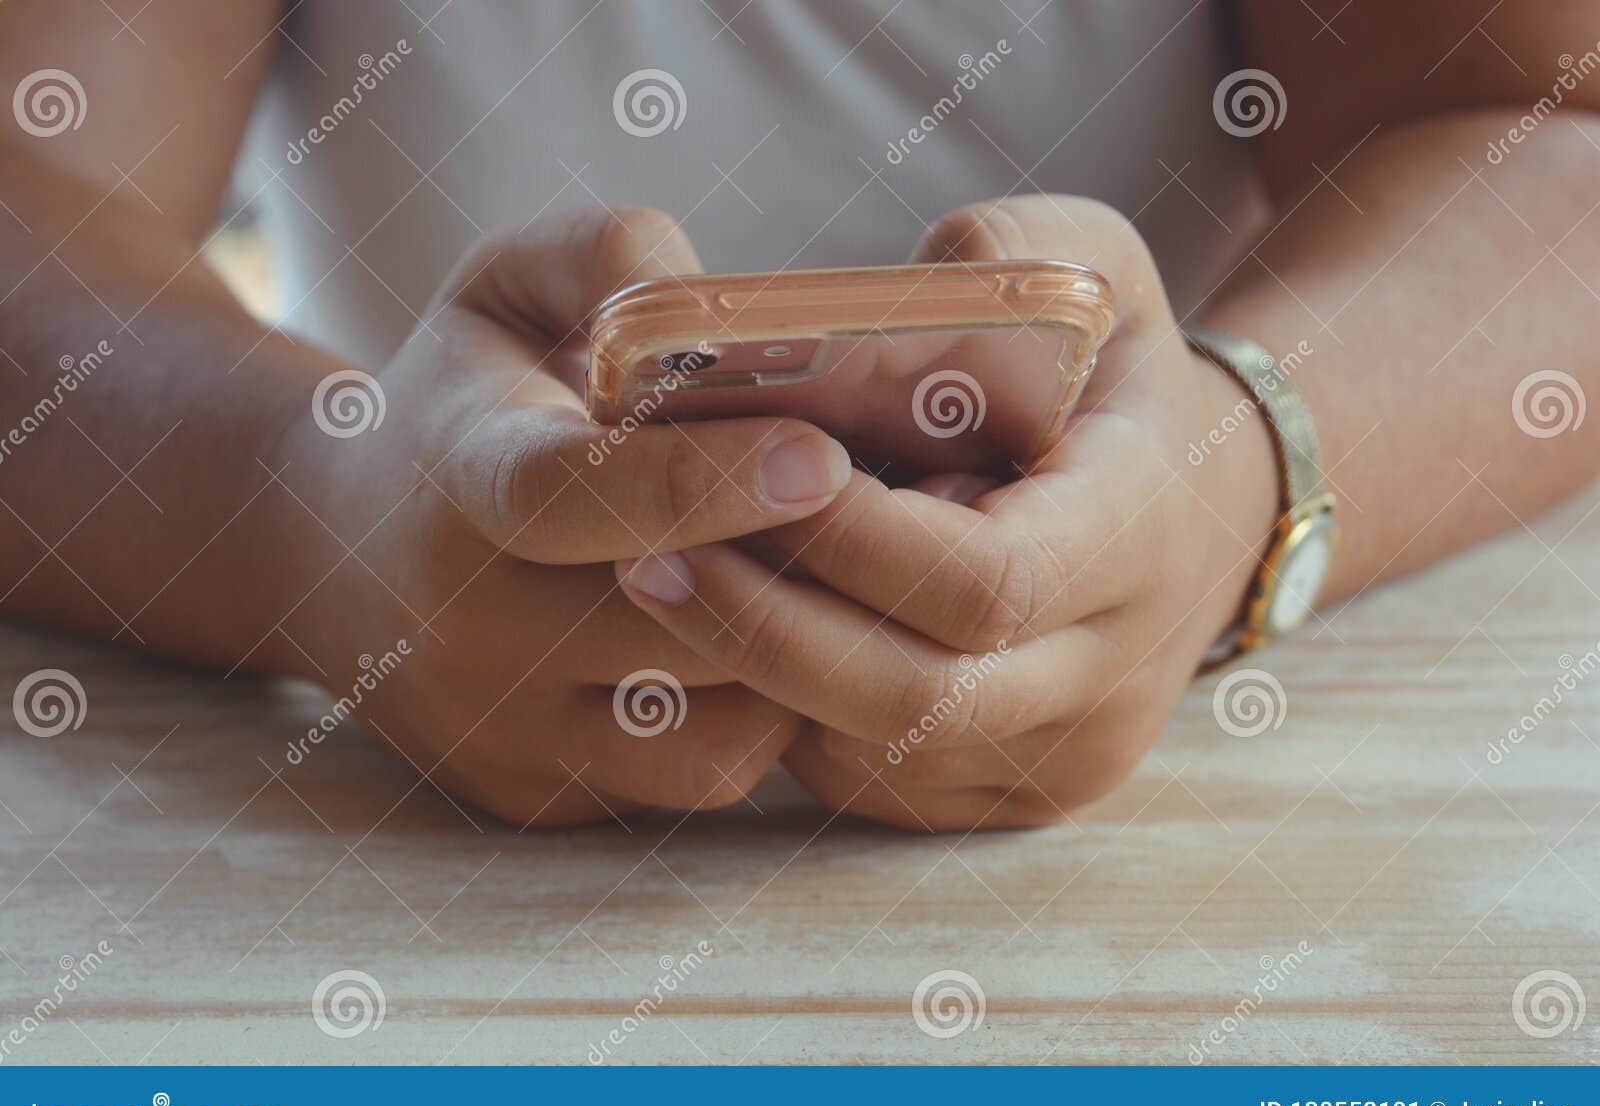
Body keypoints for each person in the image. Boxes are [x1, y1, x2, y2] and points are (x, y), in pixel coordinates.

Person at [2, 1, 1596, 830]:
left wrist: (1235, 475)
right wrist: (306, 510)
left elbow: (1542, 141)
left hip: (1178, 770)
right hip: (433, 774)